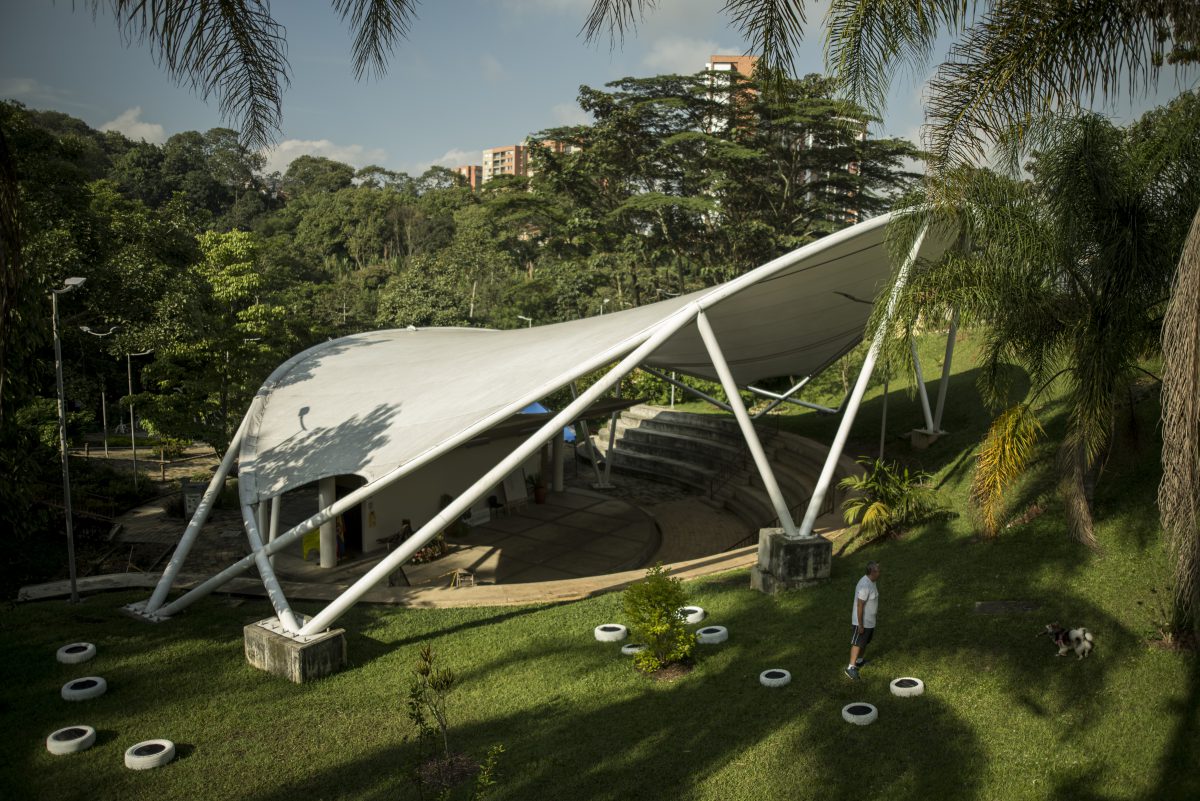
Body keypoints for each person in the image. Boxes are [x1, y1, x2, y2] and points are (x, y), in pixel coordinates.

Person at [845, 561, 880, 680]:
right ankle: (851, 667)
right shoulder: (864, 585)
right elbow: (860, 605)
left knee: (864, 642)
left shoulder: (872, 581)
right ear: (872, 572)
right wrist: (860, 624)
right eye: (878, 571)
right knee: (858, 643)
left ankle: (859, 661)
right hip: (861, 622)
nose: (879, 573)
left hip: (870, 621)